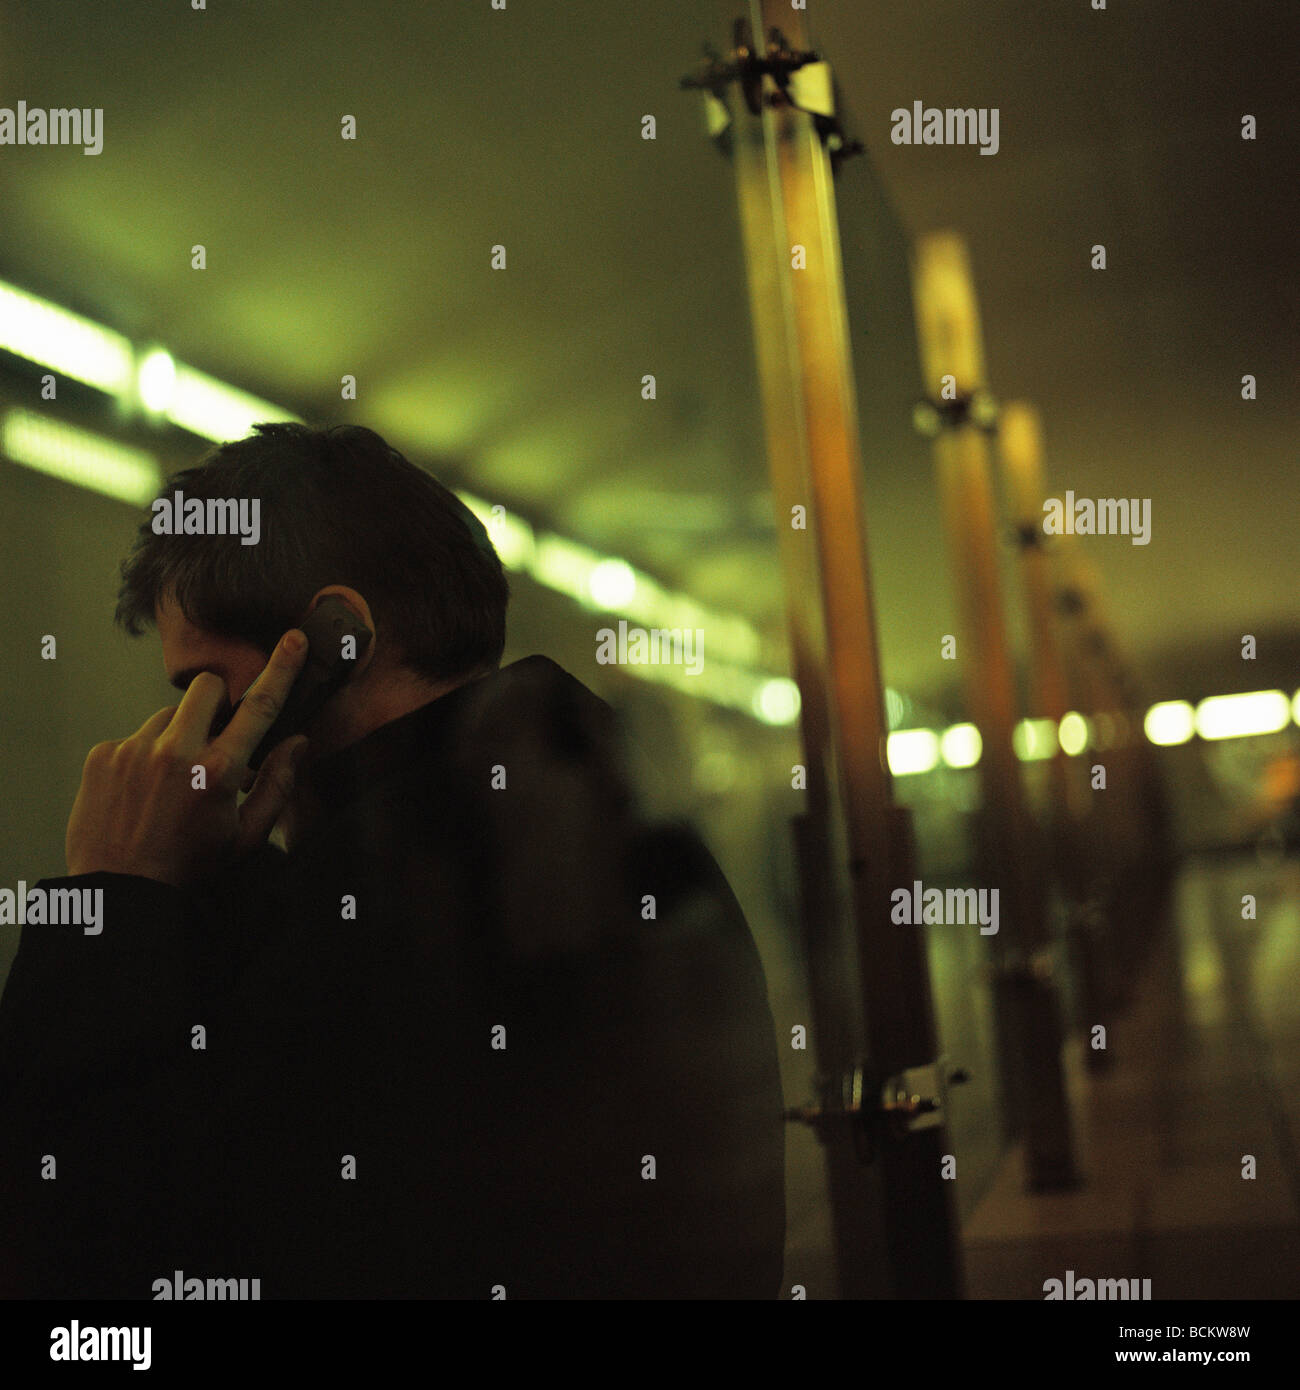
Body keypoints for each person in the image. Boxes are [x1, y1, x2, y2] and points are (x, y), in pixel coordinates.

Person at [0, 423, 786, 1299]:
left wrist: (112, 902)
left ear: (338, 639)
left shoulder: (396, 900)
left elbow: (95, 1256)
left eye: (204, 690)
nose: (192, 736)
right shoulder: (608, 828)